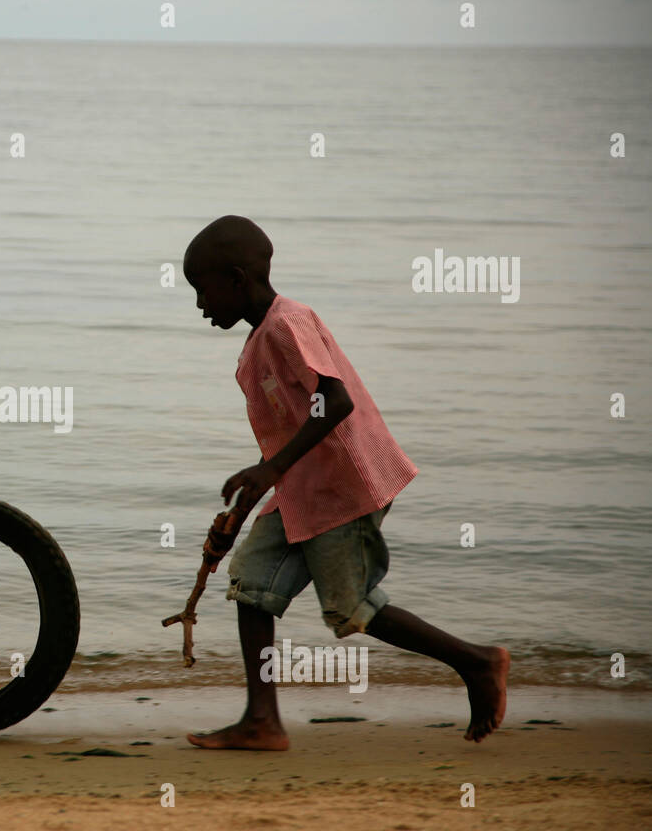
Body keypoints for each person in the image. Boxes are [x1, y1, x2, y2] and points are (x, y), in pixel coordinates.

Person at [181, 215, 509, 749]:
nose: (199, 305)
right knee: (252, 586)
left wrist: (268, 471)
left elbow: (334, 403)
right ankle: (262, 720)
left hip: (341, 489)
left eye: (203, 289)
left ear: (238, 279)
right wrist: (238, 516)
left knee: (352, 609)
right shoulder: (256, 347)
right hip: (302, 492)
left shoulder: (289, 323)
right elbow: (282, 446)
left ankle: (478, 662)